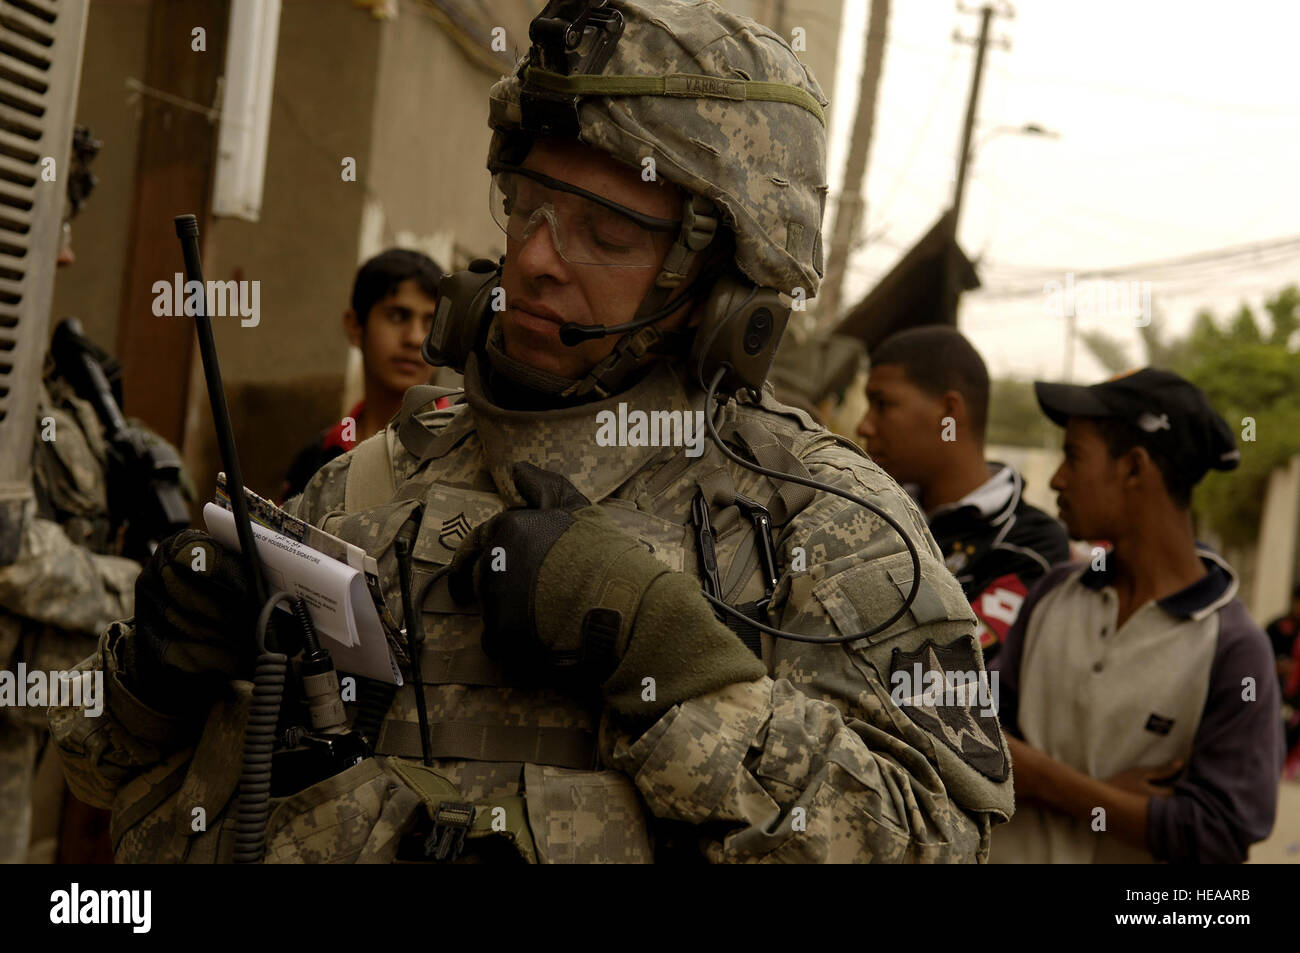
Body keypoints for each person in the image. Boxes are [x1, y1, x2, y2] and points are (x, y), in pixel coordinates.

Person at [51, 0, 1013, 864]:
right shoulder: (373, 480)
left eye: (605, 234)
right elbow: (103, 776)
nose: (534, 259)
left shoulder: (825, 524)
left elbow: (935, 839)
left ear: (723, 292)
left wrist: (668, 658)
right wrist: (152, 679)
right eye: (528, 206)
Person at [989, 367, 1282, 863]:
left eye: (1074, 455)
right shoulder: (1054, 594)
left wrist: (1040, 777)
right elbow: (970, 736)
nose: (1058, 478)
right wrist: (1104, 796)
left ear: (1133, 469)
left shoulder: (1232, 647)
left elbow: (1219, 834)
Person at [0, 128, 187, 863]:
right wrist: (139, 592)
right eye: (54, 224)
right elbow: (12, 548)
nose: (68, 252)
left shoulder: (46, 386)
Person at [857, 326, 1069, 660]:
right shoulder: (866, 510)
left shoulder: (1028, 541)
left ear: (949, 413)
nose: (864, 426)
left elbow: (951, 664)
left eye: (882, 404)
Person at [280, 248, 443, 501]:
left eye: (430, 322)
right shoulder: (319, 457)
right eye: (398, 316)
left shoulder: (459, 452)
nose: (414, 338)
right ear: (355, 326)